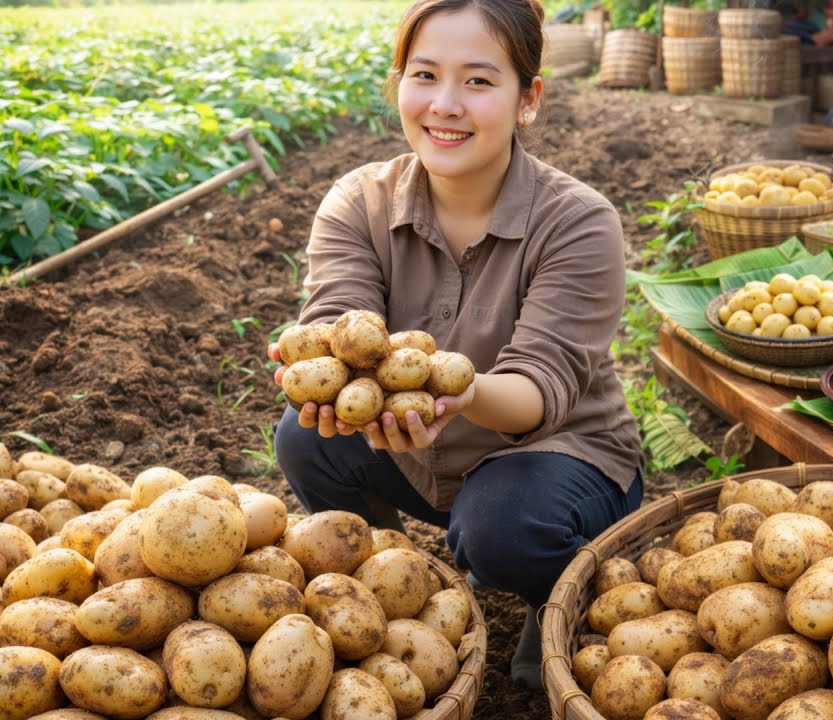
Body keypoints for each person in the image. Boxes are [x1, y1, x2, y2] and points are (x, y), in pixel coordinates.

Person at [268, 0, 645, 691]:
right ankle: (388, 578)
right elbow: (338, 325)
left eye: (477, 81)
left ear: (528, 99)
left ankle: (556, 597)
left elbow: (539, 387)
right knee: (305, 436)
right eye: (424, 75)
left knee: (501, 527)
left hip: (558, 457)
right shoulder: (359, 202)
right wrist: (315, 358)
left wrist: (460, 392)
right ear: (398, 85)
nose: (445, 104)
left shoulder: (578, 221)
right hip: (416, 452)